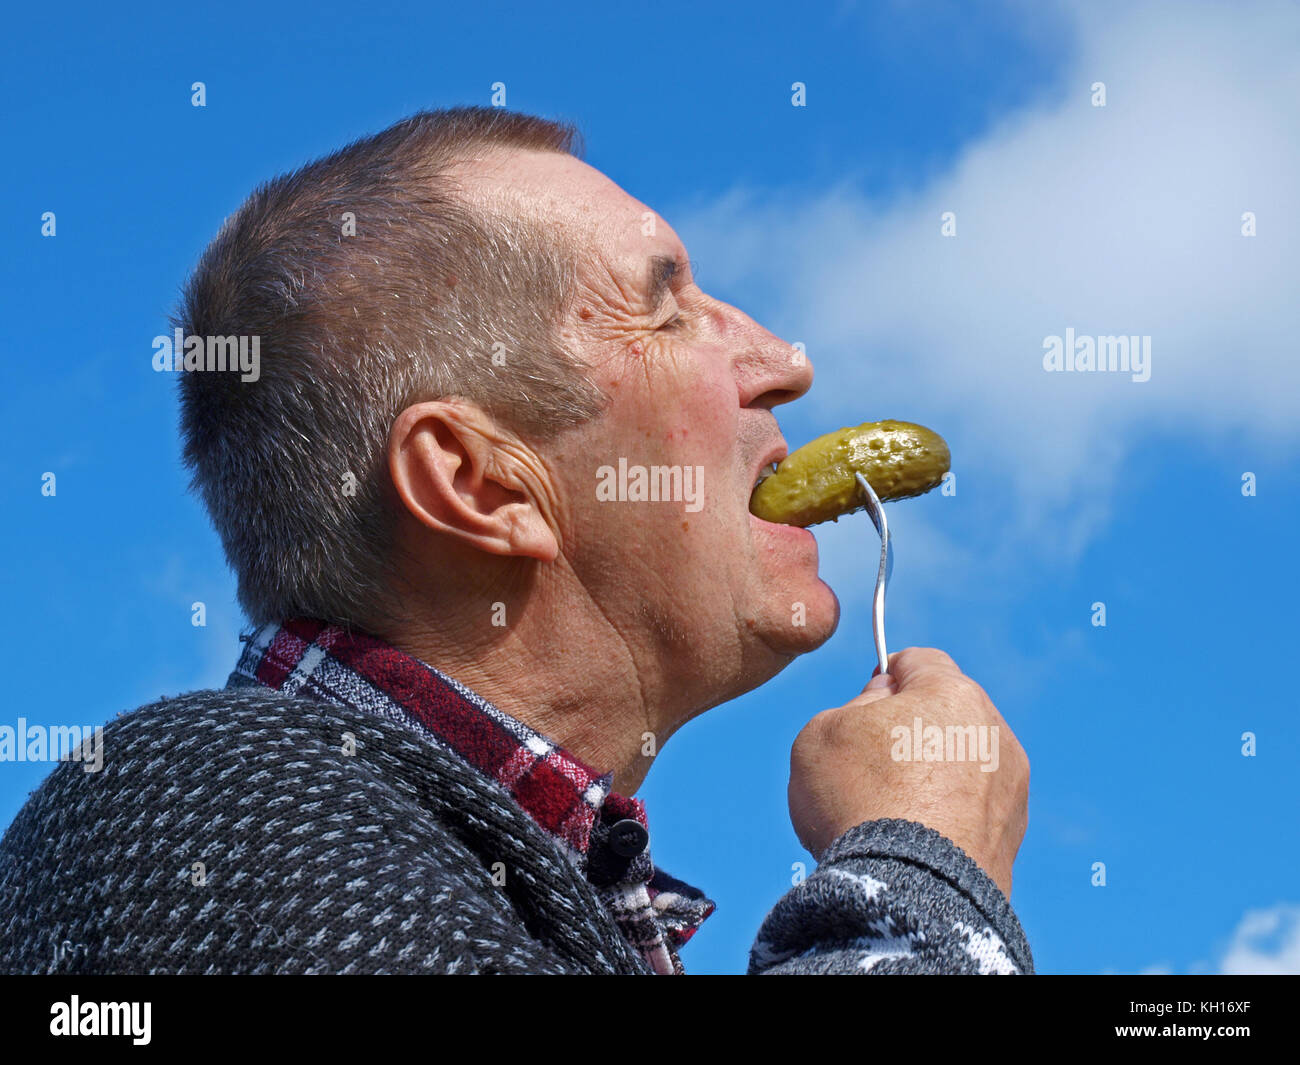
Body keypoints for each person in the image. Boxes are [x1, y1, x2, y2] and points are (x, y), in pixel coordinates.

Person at [0, 107, 1031, 975]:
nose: (784, 362)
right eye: (665, 311)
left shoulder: (462, 864)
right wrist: (919, 878)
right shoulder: (206, 811)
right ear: (482, 483)